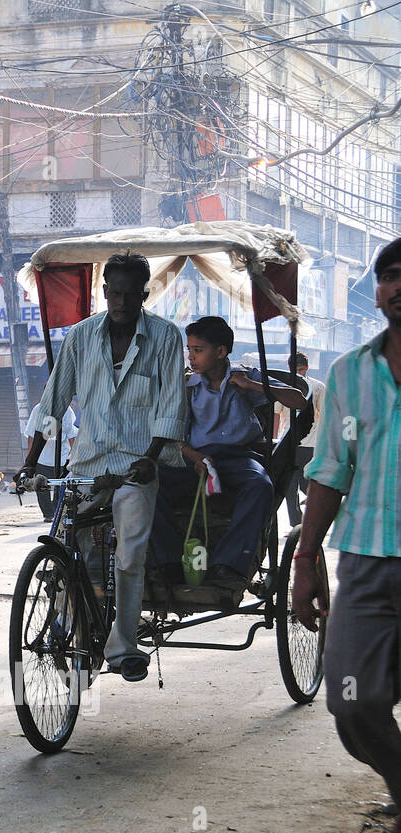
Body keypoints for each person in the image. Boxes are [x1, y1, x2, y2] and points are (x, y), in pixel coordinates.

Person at [17, 252, 187, 683]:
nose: (122, 301)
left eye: (132, 294)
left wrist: (150, 459)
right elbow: (53, 402)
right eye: (114, 292)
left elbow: (171, 407)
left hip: (136, 468)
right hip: (88, 465)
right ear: (104, 290)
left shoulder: (166, 338)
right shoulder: (80, 336)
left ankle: (122, 647)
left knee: (129, 554)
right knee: (59, 552)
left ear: (144, 294)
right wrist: (29, 462)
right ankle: (75, 627)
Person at [294, 236, 401, 833]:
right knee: (352, 703)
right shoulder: (350, 375)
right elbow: (330, 472)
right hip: (363, 560)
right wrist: (305, 564)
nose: (397, 286)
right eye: (388, 276)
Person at [148, 316, 307, 589]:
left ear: (220, 352)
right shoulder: (187, 387)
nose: (191, 357)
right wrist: (193, 455)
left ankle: (230, 564)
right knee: (149, 481)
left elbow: (299, 400)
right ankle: (168, 562)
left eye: (198, 350)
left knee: (261, 486)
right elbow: (173, 434)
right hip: (198, 460)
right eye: (189, 349)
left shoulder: (246, 376)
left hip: (239, 459)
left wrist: (252, 386)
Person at [275, 352, 325, 526]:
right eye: (295, 370)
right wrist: (274, 441)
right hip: (288, 442)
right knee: (289, 487)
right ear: (289, 369)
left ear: (307, 368)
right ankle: (296, 524)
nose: (299, 373)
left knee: (306, 485)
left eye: (302, 369)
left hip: (311, 443)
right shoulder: (283, 387)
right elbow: (276, 414)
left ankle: (315, 519)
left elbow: (325, 415)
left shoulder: (317, 387)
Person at [22, 401, 77, 521]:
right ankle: (48, 514)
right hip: (42, 456)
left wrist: (74, 455)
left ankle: (57, 511)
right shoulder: (38, 409)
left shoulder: (67, 410)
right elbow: (32, 434)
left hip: (62, 457)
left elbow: (71, 433)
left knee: (61, 486)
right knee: (41, 487)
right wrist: (30, 458)